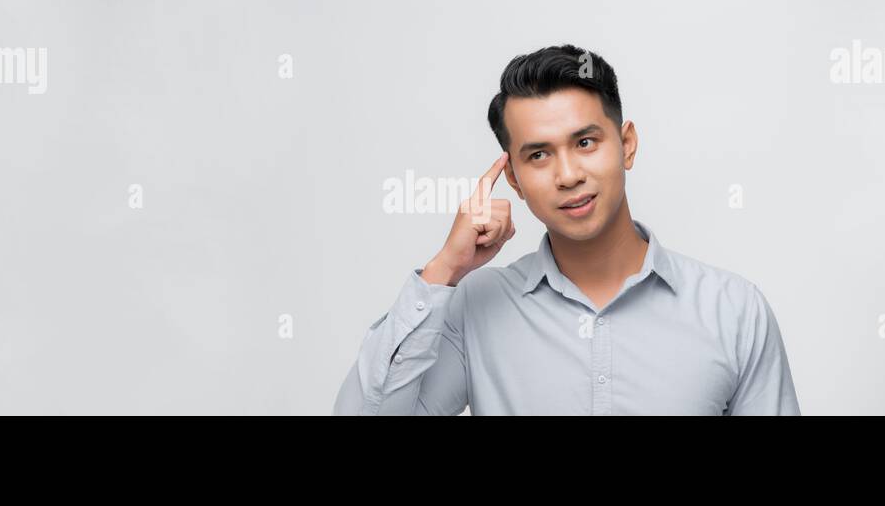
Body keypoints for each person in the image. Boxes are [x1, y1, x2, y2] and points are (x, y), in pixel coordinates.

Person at [333, 44, 800, 415]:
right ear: (513, 178)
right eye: (538, 155)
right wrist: (443, 271)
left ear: (627, 144)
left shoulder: (734, 310)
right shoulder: (475, 307)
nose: (568, 174)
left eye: (585, 142)